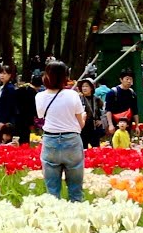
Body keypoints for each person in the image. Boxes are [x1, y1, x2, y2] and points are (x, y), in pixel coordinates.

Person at [36, 60, 87, 202]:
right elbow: (80, 124)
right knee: (76, 190)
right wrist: (83, 117)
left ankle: (54, 213)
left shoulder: (39, 96)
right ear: (65, 77)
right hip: (72, 141)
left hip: (50, 141)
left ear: (47, 76)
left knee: (52, 191)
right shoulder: (73, 95)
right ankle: (77, 213)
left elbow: (41, 116)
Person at [105, 70, 141, 137]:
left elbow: (135, 111)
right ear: (121, 80)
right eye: (127, 79)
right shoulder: (112, 93)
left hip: (127, 125)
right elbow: (108, 110)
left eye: (131, 79)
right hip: (115, 124)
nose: (129, 81)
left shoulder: (132, 94)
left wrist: (137, 126)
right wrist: (110, 124)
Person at [78, 78, 105, 148]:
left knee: (96, 148)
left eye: (86, 86)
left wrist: (101, 120)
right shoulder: (78, 99)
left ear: (91, 88)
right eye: (83, 86)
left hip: (94, 127)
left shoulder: (97, 99)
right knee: (83, 149)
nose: (84, 88)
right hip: (82, 127)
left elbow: (103, 111)